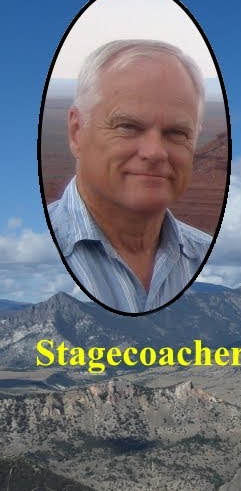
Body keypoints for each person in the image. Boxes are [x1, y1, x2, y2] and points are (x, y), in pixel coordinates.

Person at [46, 39, 211, 314]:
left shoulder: (204, 255)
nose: (155, 152)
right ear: (77, 132)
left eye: (176, 133)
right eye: (127, 126)